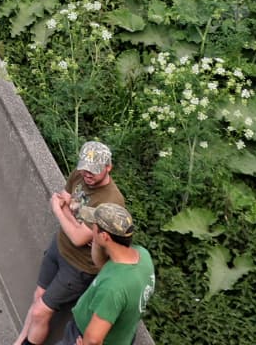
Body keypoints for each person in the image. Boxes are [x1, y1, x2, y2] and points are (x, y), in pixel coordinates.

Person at [20, 141, 127, 345]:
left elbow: (79, 237)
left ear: (108, 167)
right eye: (85, 168)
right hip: (59, 246)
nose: (87, 174)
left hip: (79, 267)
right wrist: (71, 219)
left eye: (94, 171)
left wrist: (60, 211)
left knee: (41, 311)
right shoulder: (80, 174)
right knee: (38, 297)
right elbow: (66, 199)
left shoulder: (111, 201)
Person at [56, 204, 155, 345]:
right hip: (123, 337)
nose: (91, 228)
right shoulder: (142, 255)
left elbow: (94, 339)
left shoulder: (113, 288)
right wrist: (97, 241)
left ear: (105, 236)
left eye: (94, 225)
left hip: (81, 337)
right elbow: (104, 266)